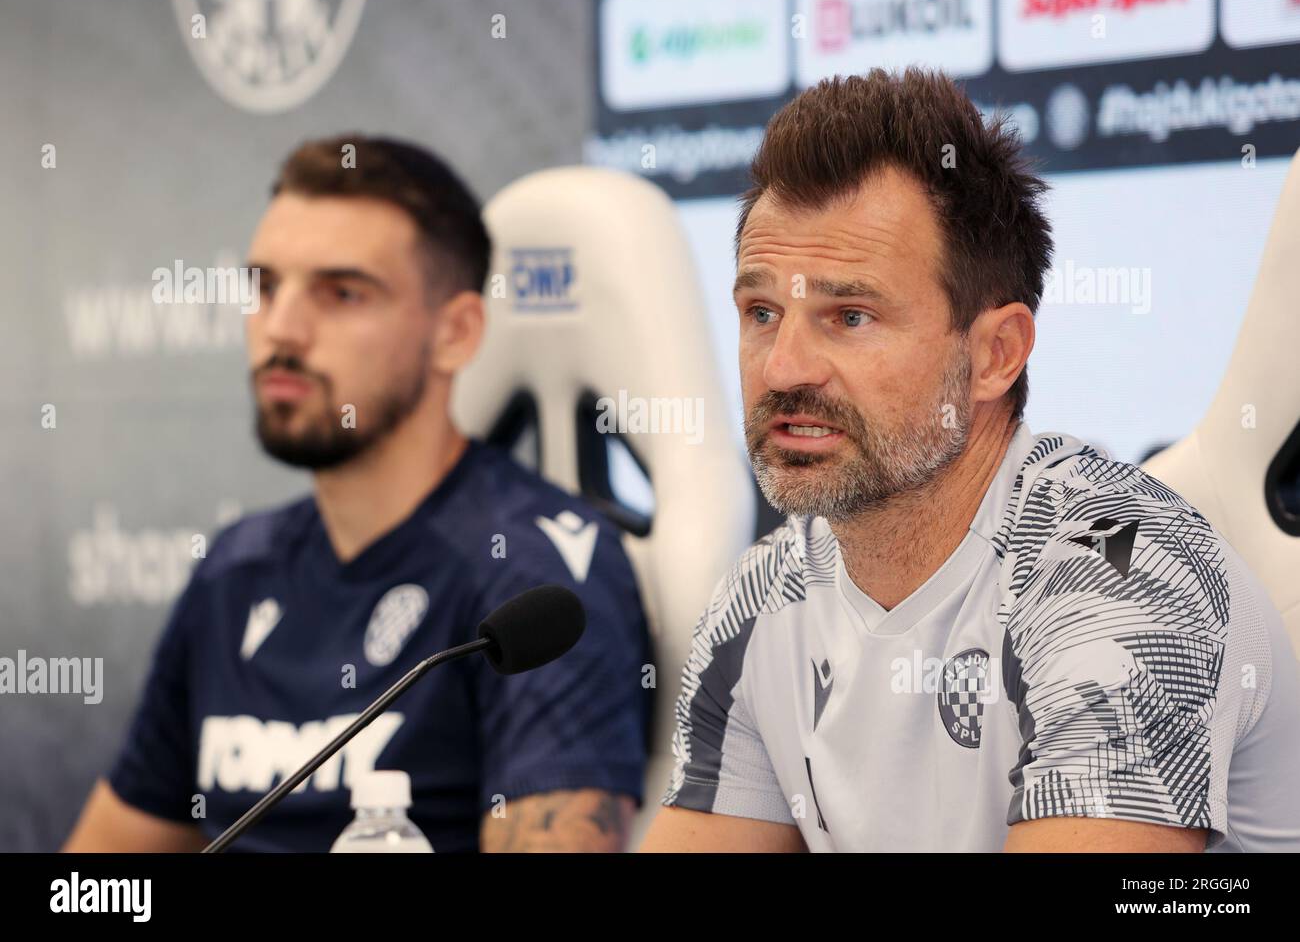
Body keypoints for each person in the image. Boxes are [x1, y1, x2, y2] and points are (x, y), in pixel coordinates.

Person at [641, 69, 1300, 852]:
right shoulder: (763, 600)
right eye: (762, 313)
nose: (783, 368)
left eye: (849, 316)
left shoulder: (1119, 579)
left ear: (996, 355)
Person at [64, 135, 651, 853]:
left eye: (341, 293)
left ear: (456, 333)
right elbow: (97, 881)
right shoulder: (233, 570)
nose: (281, 329)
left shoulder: (536, 575)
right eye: (264, 287)